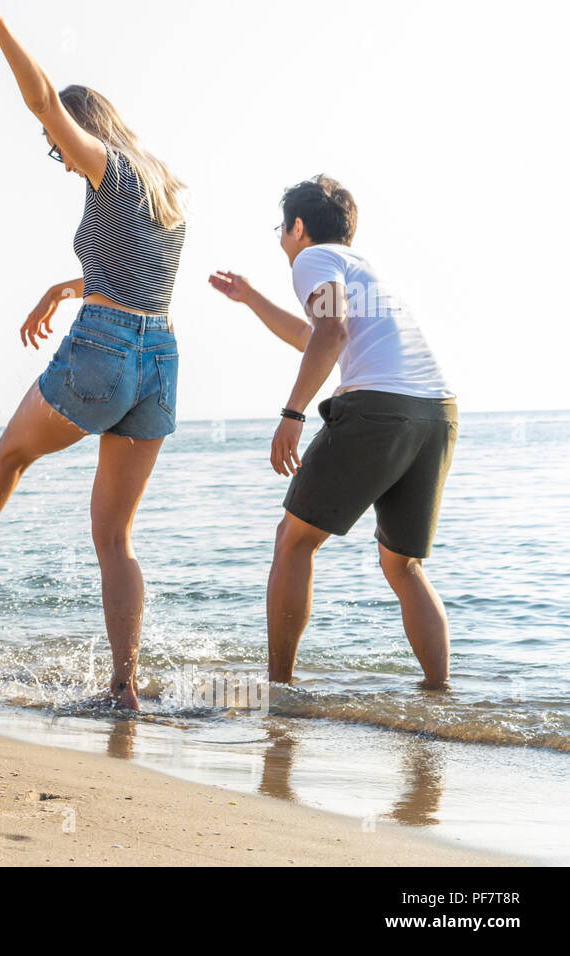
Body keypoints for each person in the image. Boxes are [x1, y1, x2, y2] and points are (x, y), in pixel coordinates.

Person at [0, 0, 189, 710]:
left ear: (79, 130)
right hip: (160, 357)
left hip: (104, 350)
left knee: (9, 456)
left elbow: (38, 97)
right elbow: (130, 274)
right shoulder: (161, 186)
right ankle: (123, 687)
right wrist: (59, 289)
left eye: (56, 142)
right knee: (115, 540)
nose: (56, 154)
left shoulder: (106, 166)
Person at [209, 175, 458, 686]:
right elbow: (315, 335)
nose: (282, 237)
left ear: (299, 226)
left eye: (281, 227)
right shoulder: (362, 268)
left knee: (293, 540)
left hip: (378, 410)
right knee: (402, 564)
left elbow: (330, 331)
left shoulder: (313, 258)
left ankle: (280, 687)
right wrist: (252, 297)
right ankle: (440, 699)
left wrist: (293, 413)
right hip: (437, 413)